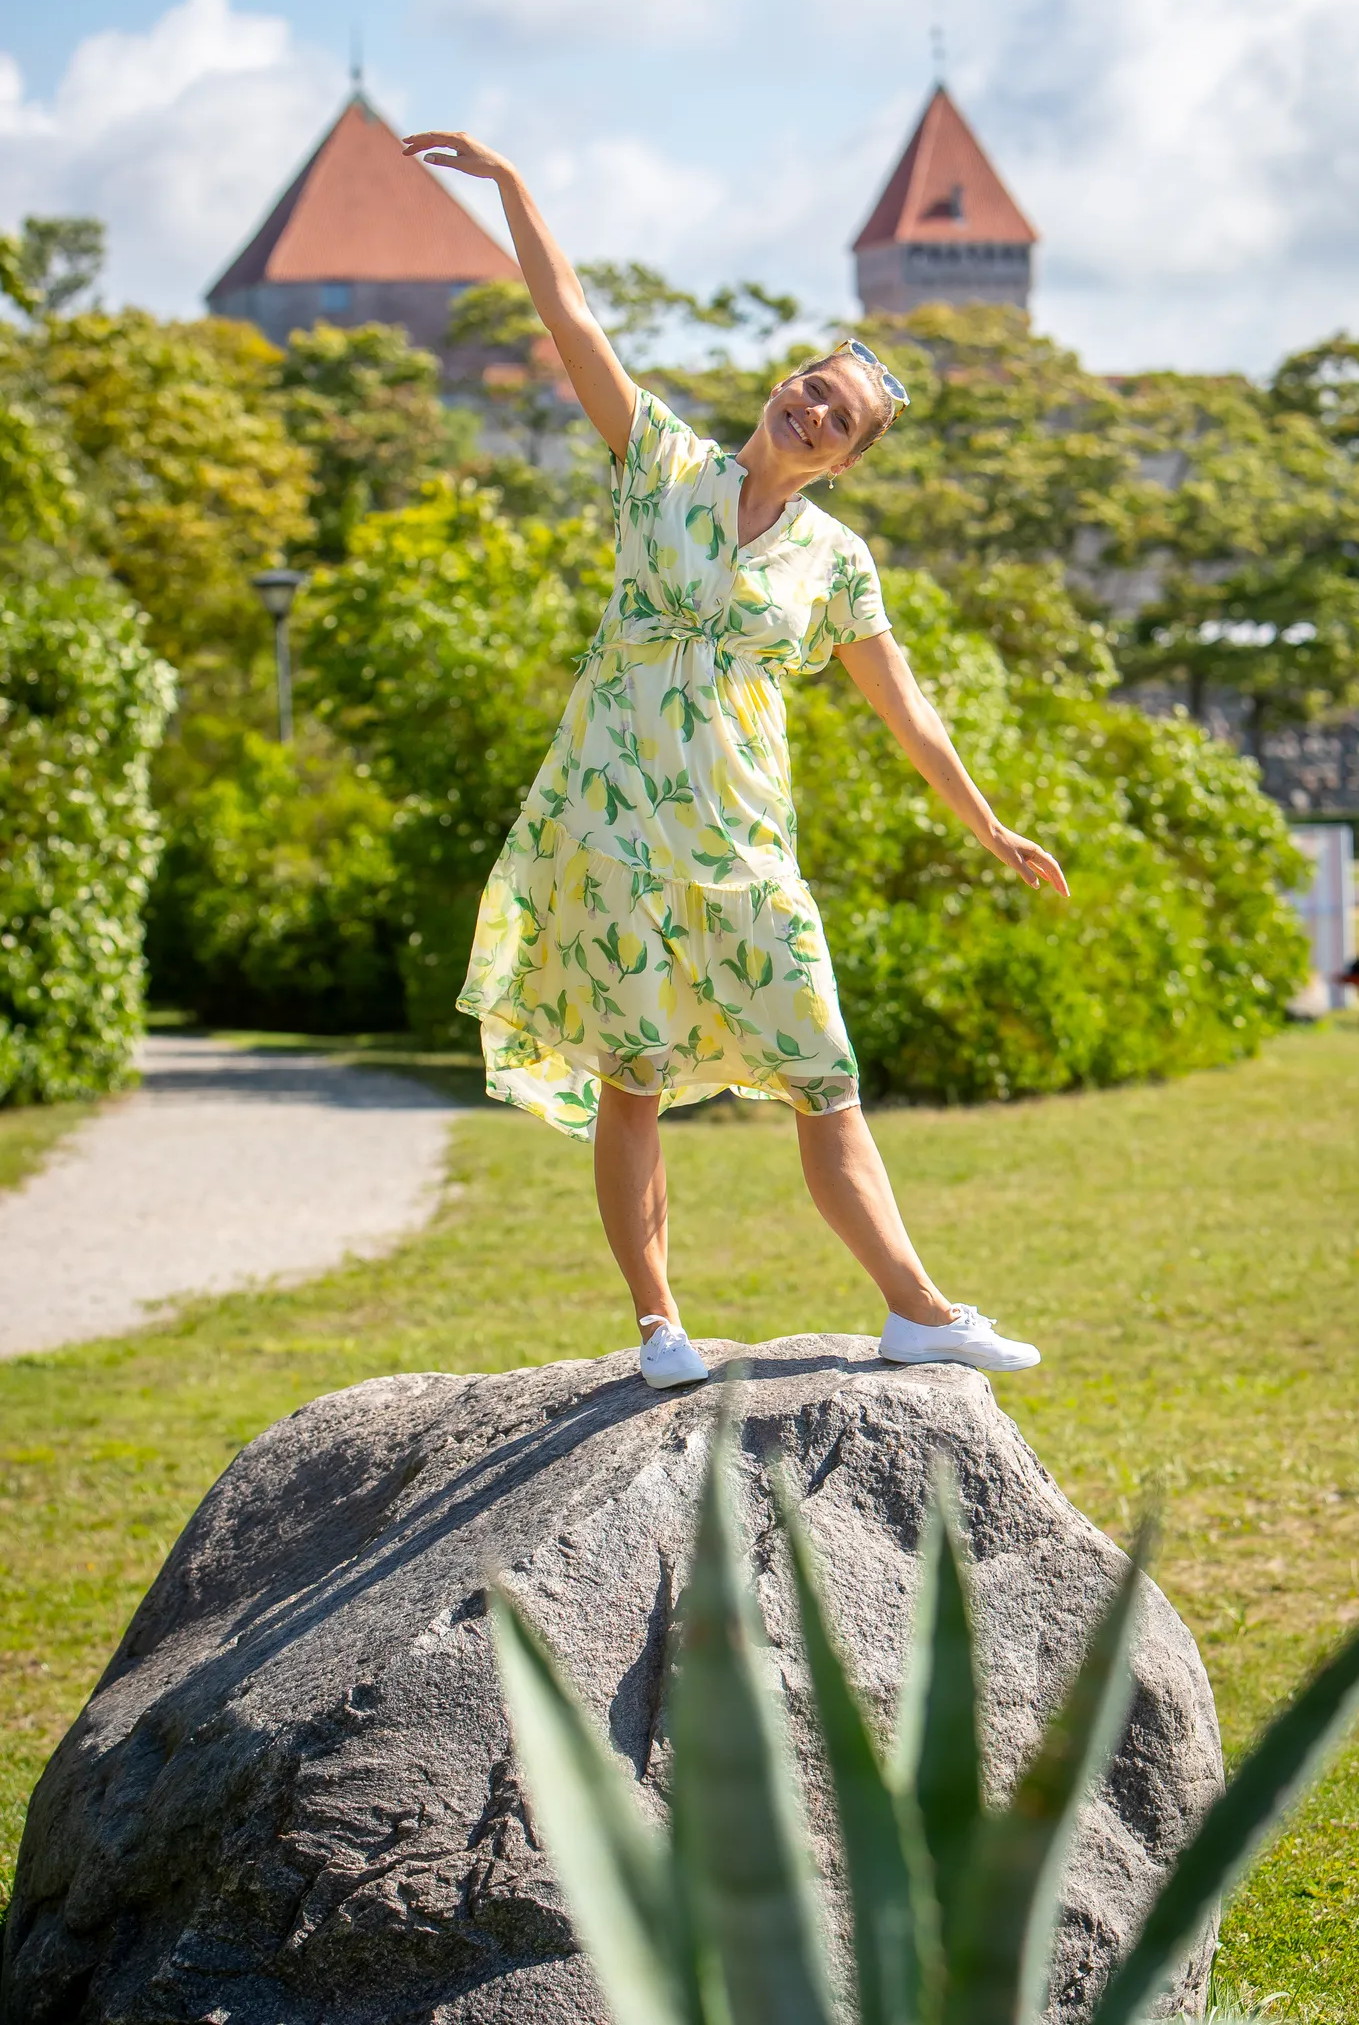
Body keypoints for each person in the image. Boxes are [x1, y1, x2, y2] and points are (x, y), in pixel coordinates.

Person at [403, 130, 1070, 1393]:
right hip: (614, 831)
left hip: (745, 845)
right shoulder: (659, 465)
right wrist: (514, 188)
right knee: (634, 1082)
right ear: (781, 386)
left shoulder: (835, 563)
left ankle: (918, 1310)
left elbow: (907, 710)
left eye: (839, 419)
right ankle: (658, 1325)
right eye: (811, 389)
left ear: (844, 460)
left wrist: (986, 824)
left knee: (825, 1076)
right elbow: (570, 319)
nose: (812, 412)